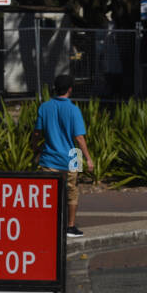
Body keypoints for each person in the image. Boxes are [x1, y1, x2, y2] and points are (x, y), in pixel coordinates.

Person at [34, 74, 94, 238]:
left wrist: (35, 148)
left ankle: (47, 225)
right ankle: (70, 226)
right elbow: (79, 137)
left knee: (48, 193)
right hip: (71, 157)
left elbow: (37, 132)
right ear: (70, 89)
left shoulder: (44, 107)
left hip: (49, 157)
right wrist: (88, 158)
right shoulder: (74, 109)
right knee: (72, 192)